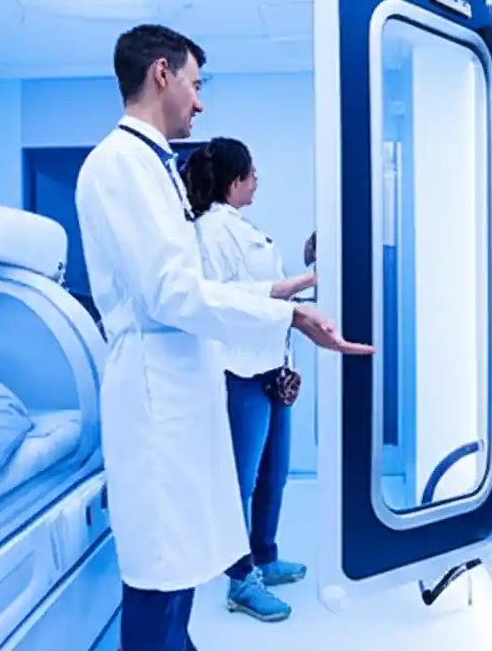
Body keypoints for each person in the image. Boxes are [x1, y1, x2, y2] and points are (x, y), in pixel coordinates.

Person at [74, 24, 372, 651]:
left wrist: (282, 310)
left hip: (180, 385)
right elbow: (172, 293)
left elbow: (185, 287)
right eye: (195, 83)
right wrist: (289, 316)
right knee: (159, 572)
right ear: (162, 74)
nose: (199, 101)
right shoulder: (121, 166)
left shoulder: (152, 167)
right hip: (156, 395)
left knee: (178, 565)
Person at [181, 138, 313, 623]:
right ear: (234, 181)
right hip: (239, 371)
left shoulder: (242, 227)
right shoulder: (210, 230)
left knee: (274, 474)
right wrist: (300, 284)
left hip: (271, 366)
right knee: (240, 481)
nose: (257, 181)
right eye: (252, 173)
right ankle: (240, 580)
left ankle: (266, 554)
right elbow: (224, 296)